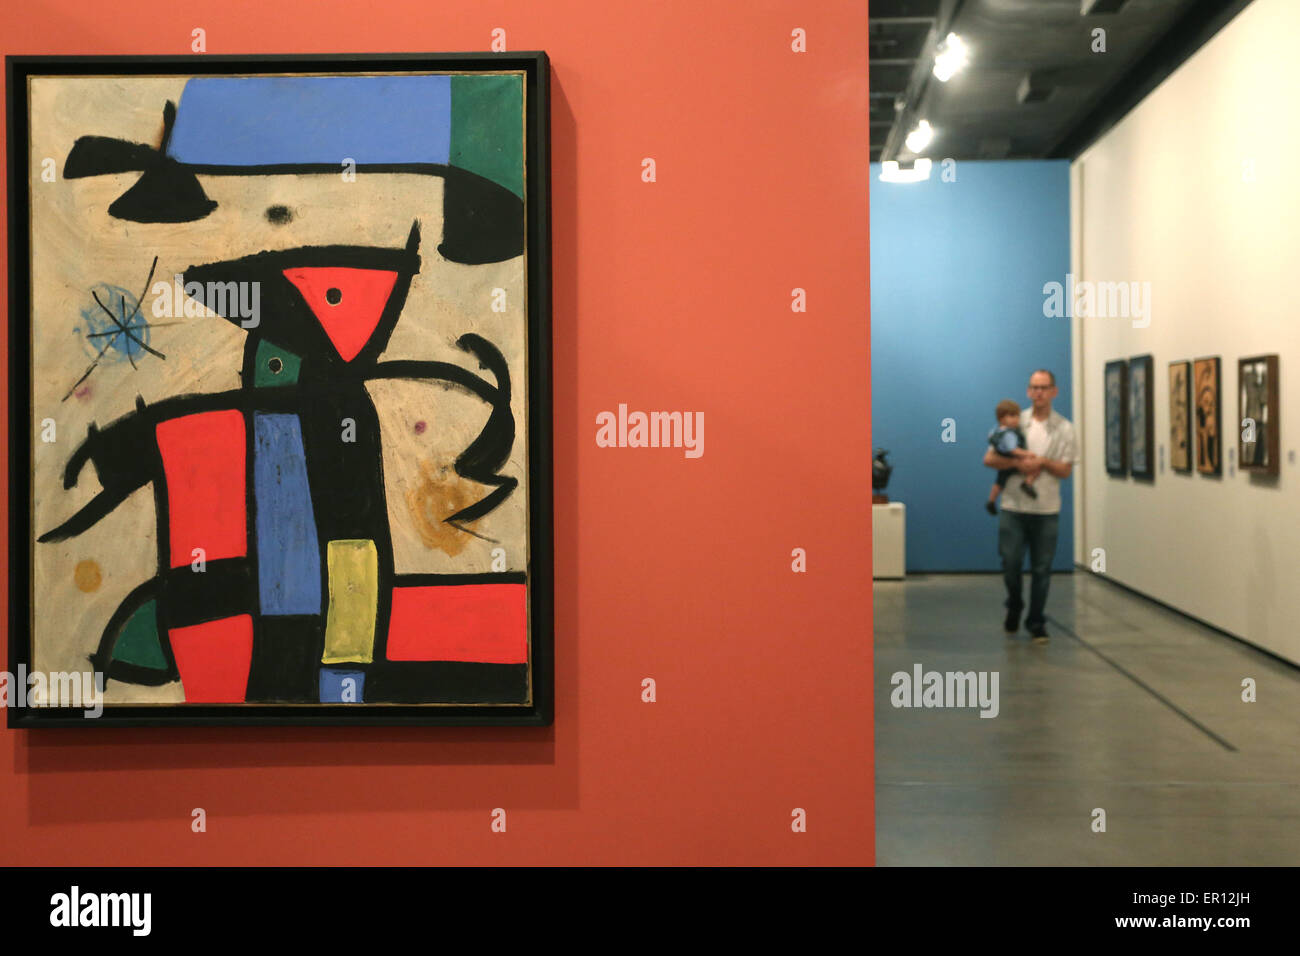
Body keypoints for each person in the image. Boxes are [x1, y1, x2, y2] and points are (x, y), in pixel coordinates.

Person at [982, 370, 1078, 644]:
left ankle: (1036, 621)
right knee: (1010, 563)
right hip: (1013, 506)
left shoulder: (1065, 428)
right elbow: (989, 459)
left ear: (1054, 392)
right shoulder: (1013, 421)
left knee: (1042, 569)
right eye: (1034, 387)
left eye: (1044, 387)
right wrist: (1016, 464)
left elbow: (1065, 470)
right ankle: (1014, 603)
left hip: (1046, 510)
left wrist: (1043, 463)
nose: (1039, 392)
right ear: (1028, 391)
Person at [985, 399, 1037, 515]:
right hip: (1013, 459)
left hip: (1004, 464)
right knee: (1035, 467)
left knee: (999, 483)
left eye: (1017, 416)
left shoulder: (995, 431)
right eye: (1012, 416)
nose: (1016, 419)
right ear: (1002, 418)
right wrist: (1027, 454)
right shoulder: (1009, 434)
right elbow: (1013, 450)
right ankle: (1027, 483)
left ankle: (991, 501)